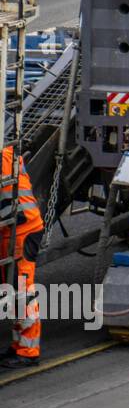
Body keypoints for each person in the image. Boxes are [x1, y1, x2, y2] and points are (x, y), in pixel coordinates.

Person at [1, 146, 42, 369]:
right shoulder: (7, 152)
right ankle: (19, 345)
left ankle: (29, 350)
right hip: (18, 229)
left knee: (22, 290)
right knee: (15, 289)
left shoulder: (2, 160)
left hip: (22, 231)